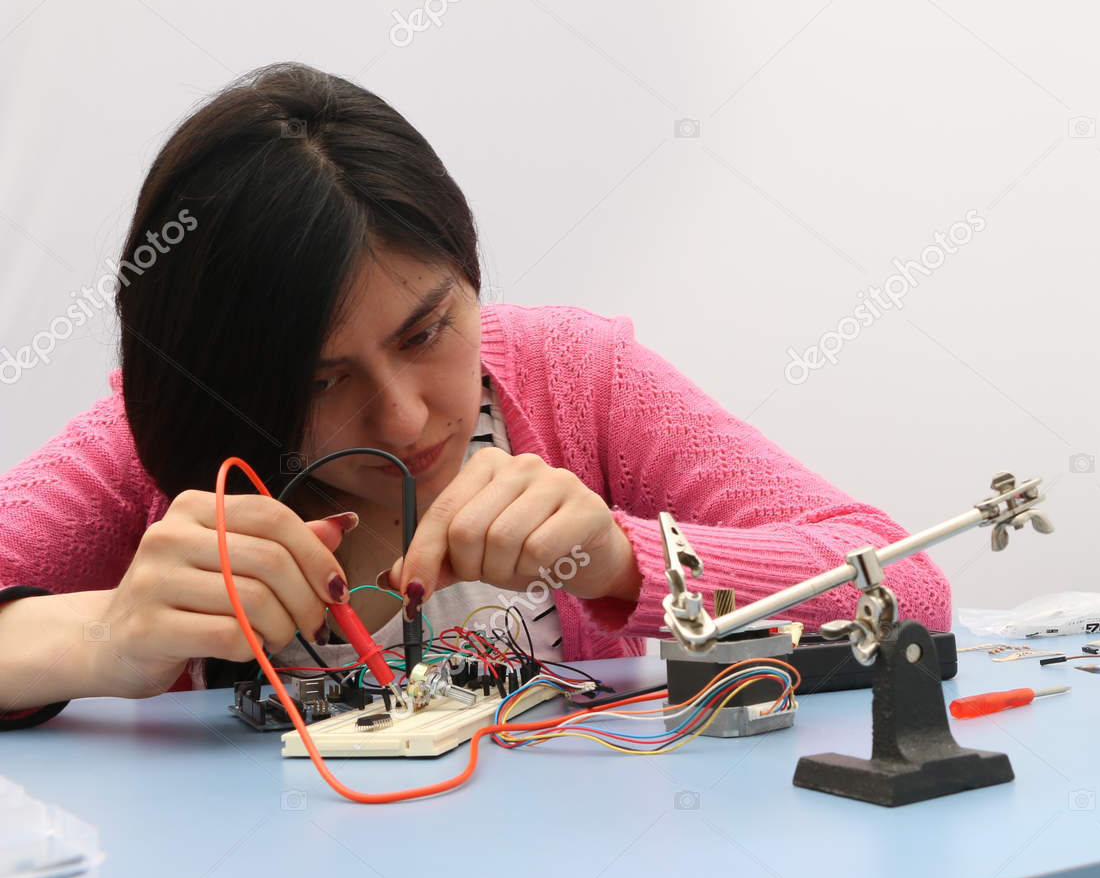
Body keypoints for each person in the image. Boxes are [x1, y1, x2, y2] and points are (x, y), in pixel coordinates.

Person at [0, 63, 951, 727]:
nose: (405, 417)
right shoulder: (152, 447)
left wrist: (625, 564)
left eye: (425, 332)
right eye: (322, 379)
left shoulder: (578, 377)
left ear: (469, 273)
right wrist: (99, 636)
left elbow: (911, 588)